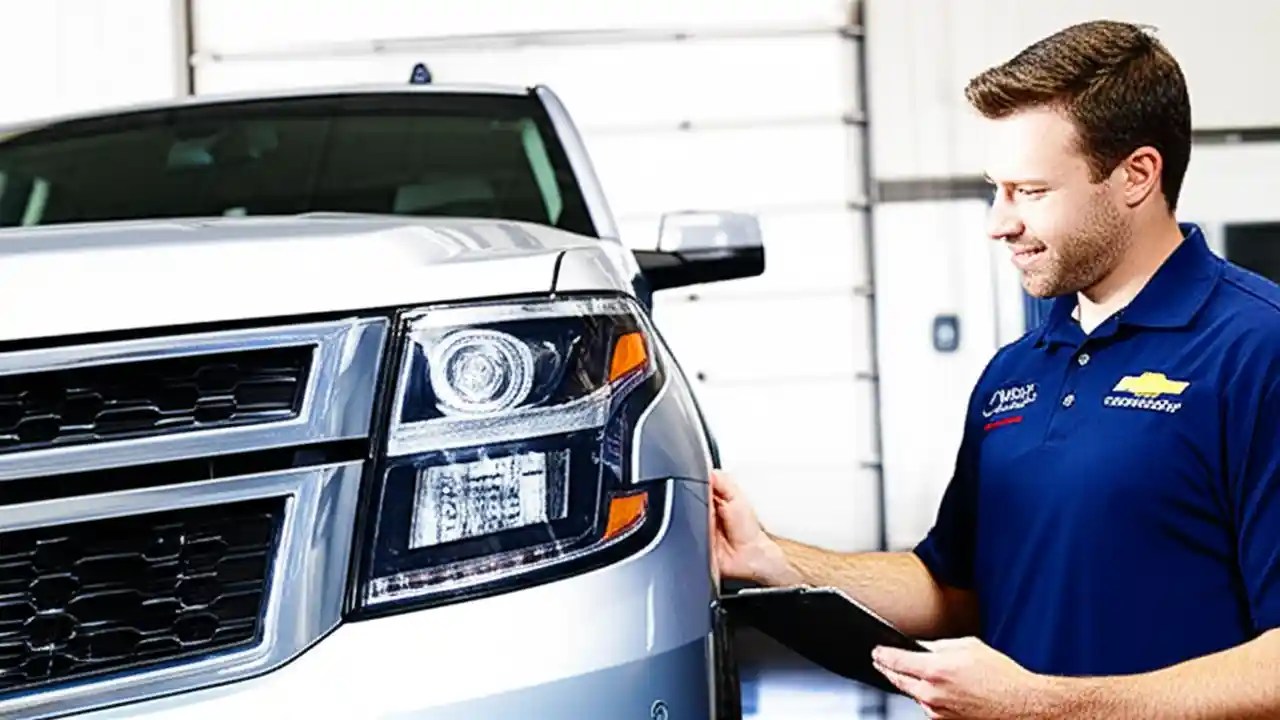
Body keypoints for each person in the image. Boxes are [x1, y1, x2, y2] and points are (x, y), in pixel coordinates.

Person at [712, 19, 1280, 719]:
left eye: (1030, 191)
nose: (997, 221)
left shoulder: (1257, 351)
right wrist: (772, 560)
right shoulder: (1017, 371)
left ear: (1137, 175)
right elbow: (954, 588)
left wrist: (1042, 705)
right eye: (995, 188)